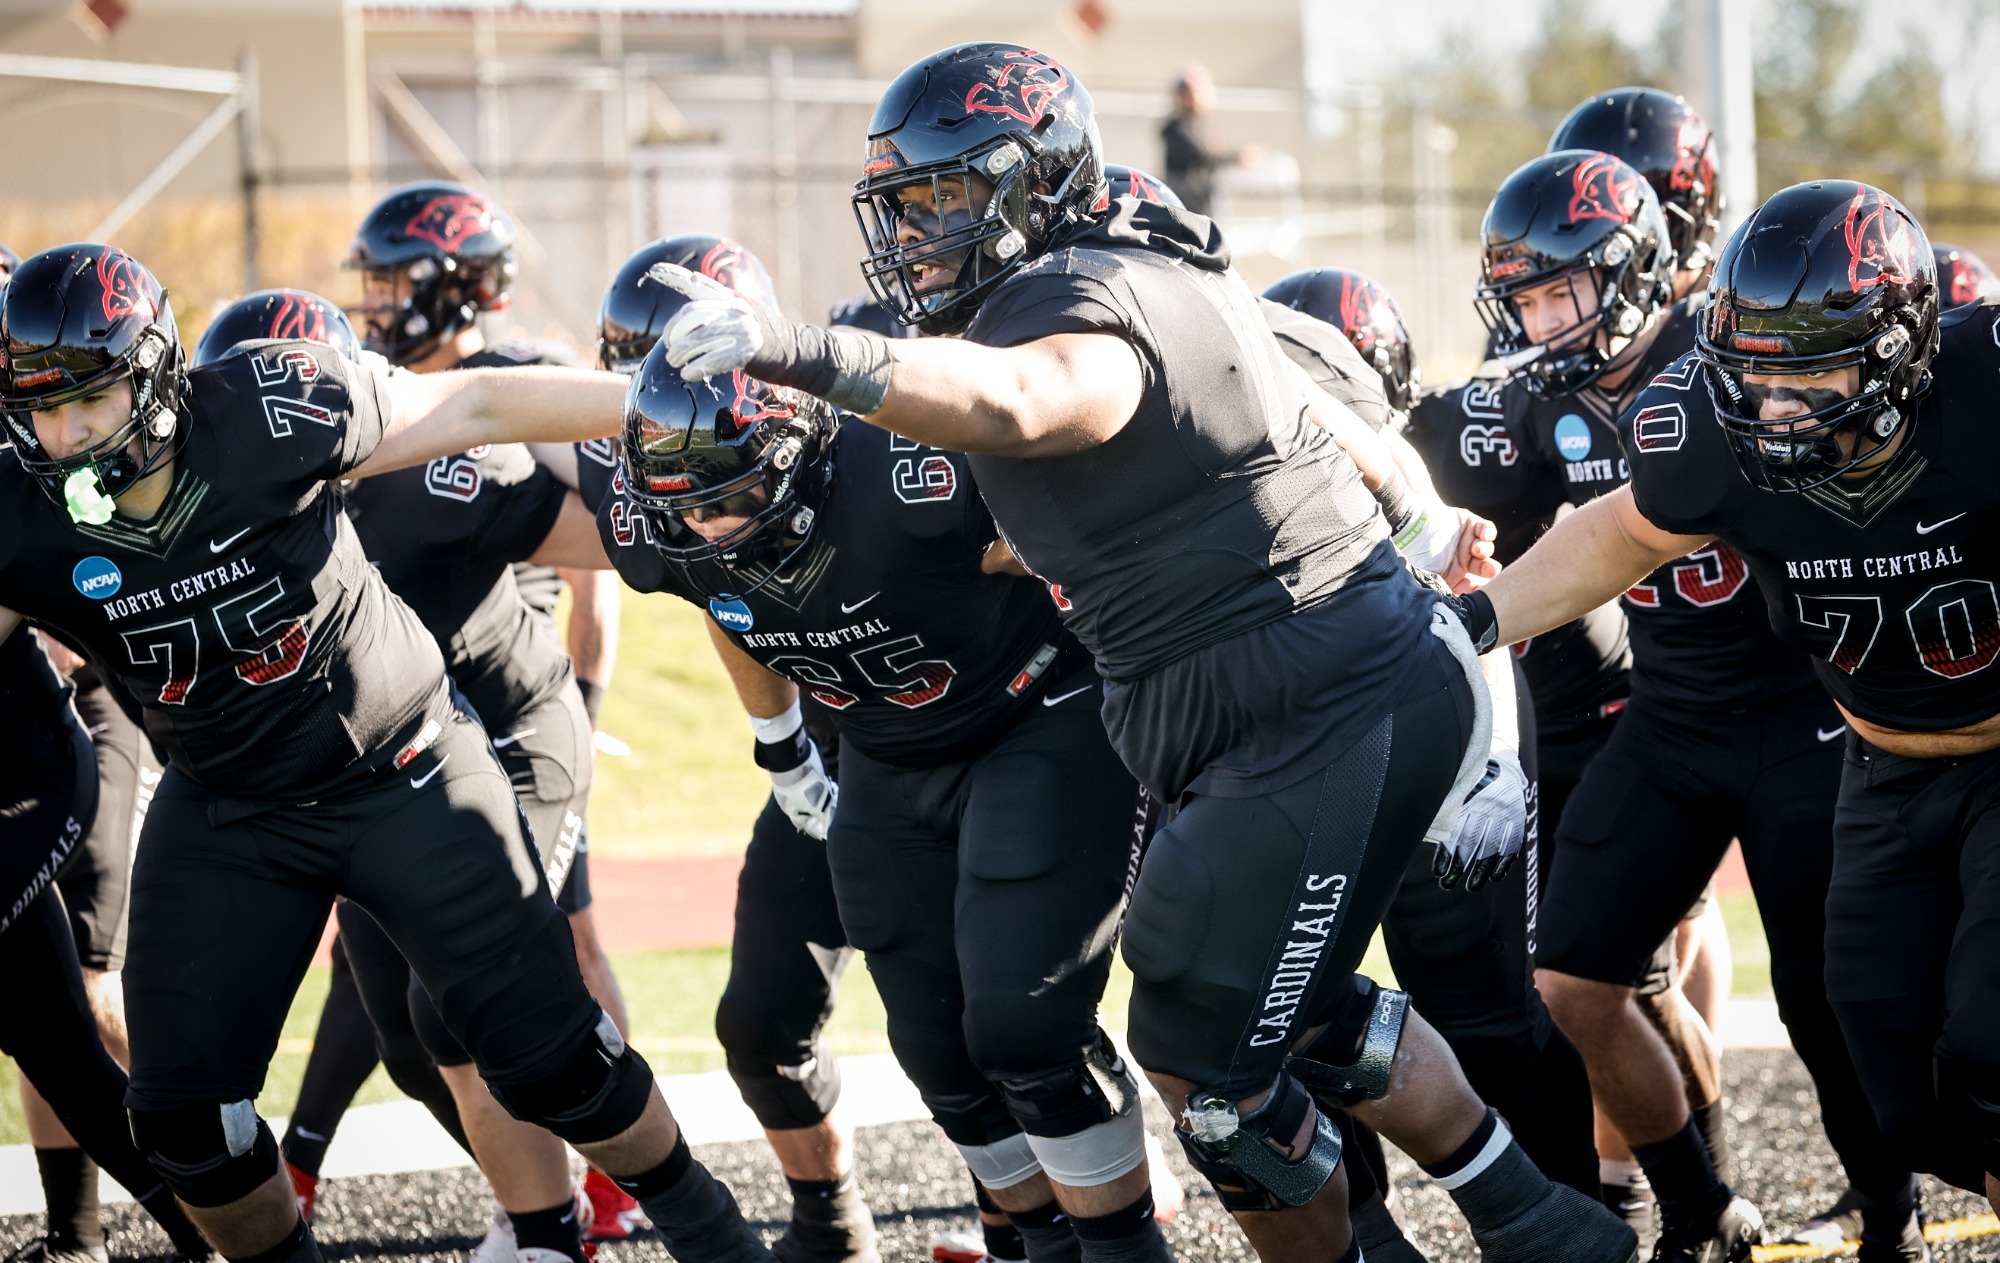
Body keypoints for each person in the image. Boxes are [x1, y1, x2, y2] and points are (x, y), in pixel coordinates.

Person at [650, 40, 1638, 1263]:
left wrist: (799, 350)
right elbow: (1281, 413)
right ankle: (1530, 1216)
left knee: (1209, 1070)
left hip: (1309, 701)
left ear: (1034, 183)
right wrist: (1413, 511)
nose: (913, 235)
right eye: (900, 207)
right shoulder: (1110, 272)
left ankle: (1506, 1227)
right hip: (1264, 702)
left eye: (942, 197)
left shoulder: (1079, 298)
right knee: (1286, 1007)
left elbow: (1022, 399)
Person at [0, 241, 772, 1263]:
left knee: (553, 1062)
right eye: (38, 408)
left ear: (151, 373)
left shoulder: (268, 409)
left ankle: (712, 1231)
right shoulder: (18, 513)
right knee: (183, 1123)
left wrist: (660, 394)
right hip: (228, 803)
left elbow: (479, 404)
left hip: (401, 766)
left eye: (87, 400)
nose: (63, 434)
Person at [541, 231, 1175, 1263]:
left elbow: (1103, 539)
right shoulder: (664, 521)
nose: (711, 530)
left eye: (731, 496)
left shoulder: (904, 470)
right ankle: (1039, 1243)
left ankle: (1123, 1245)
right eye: (685, 510)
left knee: (1024, 1025)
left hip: (1027, 719)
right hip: (879, 750)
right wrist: (780, 744)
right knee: (935, 1046)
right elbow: (723, 601)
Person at [1449, 179, 2000, 1228]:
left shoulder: (1983, 388)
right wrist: (1471, 621)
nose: (1773, 405)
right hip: (1878, 765)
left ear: (1896, 349)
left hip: (1964, 753)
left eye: (1805, 373)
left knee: (1990, 1053)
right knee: (1897, 1082)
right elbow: (1621, 533)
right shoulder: (1716, 425)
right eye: (1754, 375)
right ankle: (1723, 1204)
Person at [190, 286, 609, 1263]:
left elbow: (616, 540)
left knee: (460, 1002)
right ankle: (540, 1195)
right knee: (407, 1042)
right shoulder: (214, 516)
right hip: (384, 765)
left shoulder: (430, 475)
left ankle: (569, 1216)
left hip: (509, 733)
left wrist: (574, 438)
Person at [1263, 262, 1600, 1211]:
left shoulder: (1410, 479)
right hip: (1300, 766)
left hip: (1440, 744)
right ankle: (1362, 1236)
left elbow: (1472, 617)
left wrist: (1496, 765)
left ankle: (1574, 1223)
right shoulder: (1226, 466)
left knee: (1486, 1021)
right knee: (1280, 1022)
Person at [586, 234, 881, 1263]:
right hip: (832, 753)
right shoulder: (662, 488)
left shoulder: (869, 434)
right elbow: (724, 594)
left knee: (990, 1023)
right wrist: (783, 746)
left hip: (965, 745)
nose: (664, 409)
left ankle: (1034, 1224)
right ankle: (830, 1226)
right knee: (760, 1030)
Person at [0, 629, 211, 1263]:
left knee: (94, 995)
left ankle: (228, 1151)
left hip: (40, 763)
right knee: (60, 1049)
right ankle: (209, 1232)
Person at [1157, 64, 1253, 218]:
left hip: (1204, 201)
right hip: (1185, 206)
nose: (1202, 97)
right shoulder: (1175, 128)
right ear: (1183, 96)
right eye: (1196, 92)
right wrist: (1238, 157)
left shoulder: (1202, 125)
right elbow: (1203, 155)